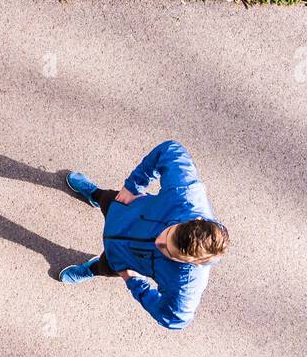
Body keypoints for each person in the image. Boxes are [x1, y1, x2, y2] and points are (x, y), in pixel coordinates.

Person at [61, 141, 228, 330]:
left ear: (191, 263)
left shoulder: (186, 283)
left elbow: (174, 319)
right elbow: (170, 151)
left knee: (106, 266)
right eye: (168, 233)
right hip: (126, 210)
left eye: (168, 251)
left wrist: (135, 283)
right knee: (106, 198)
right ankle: (95, 195)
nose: (159, 242)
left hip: (125, 261)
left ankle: (91, 268)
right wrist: (133, 186)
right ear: (193, 220)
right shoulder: (187, 196)